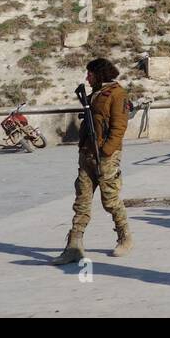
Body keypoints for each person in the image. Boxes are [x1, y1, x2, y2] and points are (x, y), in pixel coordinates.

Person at [50, 58, 132, 265]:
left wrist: (105, 151)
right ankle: (74, 246)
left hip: (105, 156)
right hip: (87, 153)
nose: (87, 77)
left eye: (90, 74)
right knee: (82, 202)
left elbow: (119, 127)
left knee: (110, 200)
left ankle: (124, 237)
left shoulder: (117, 94)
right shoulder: (94, 94)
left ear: (100, 74)